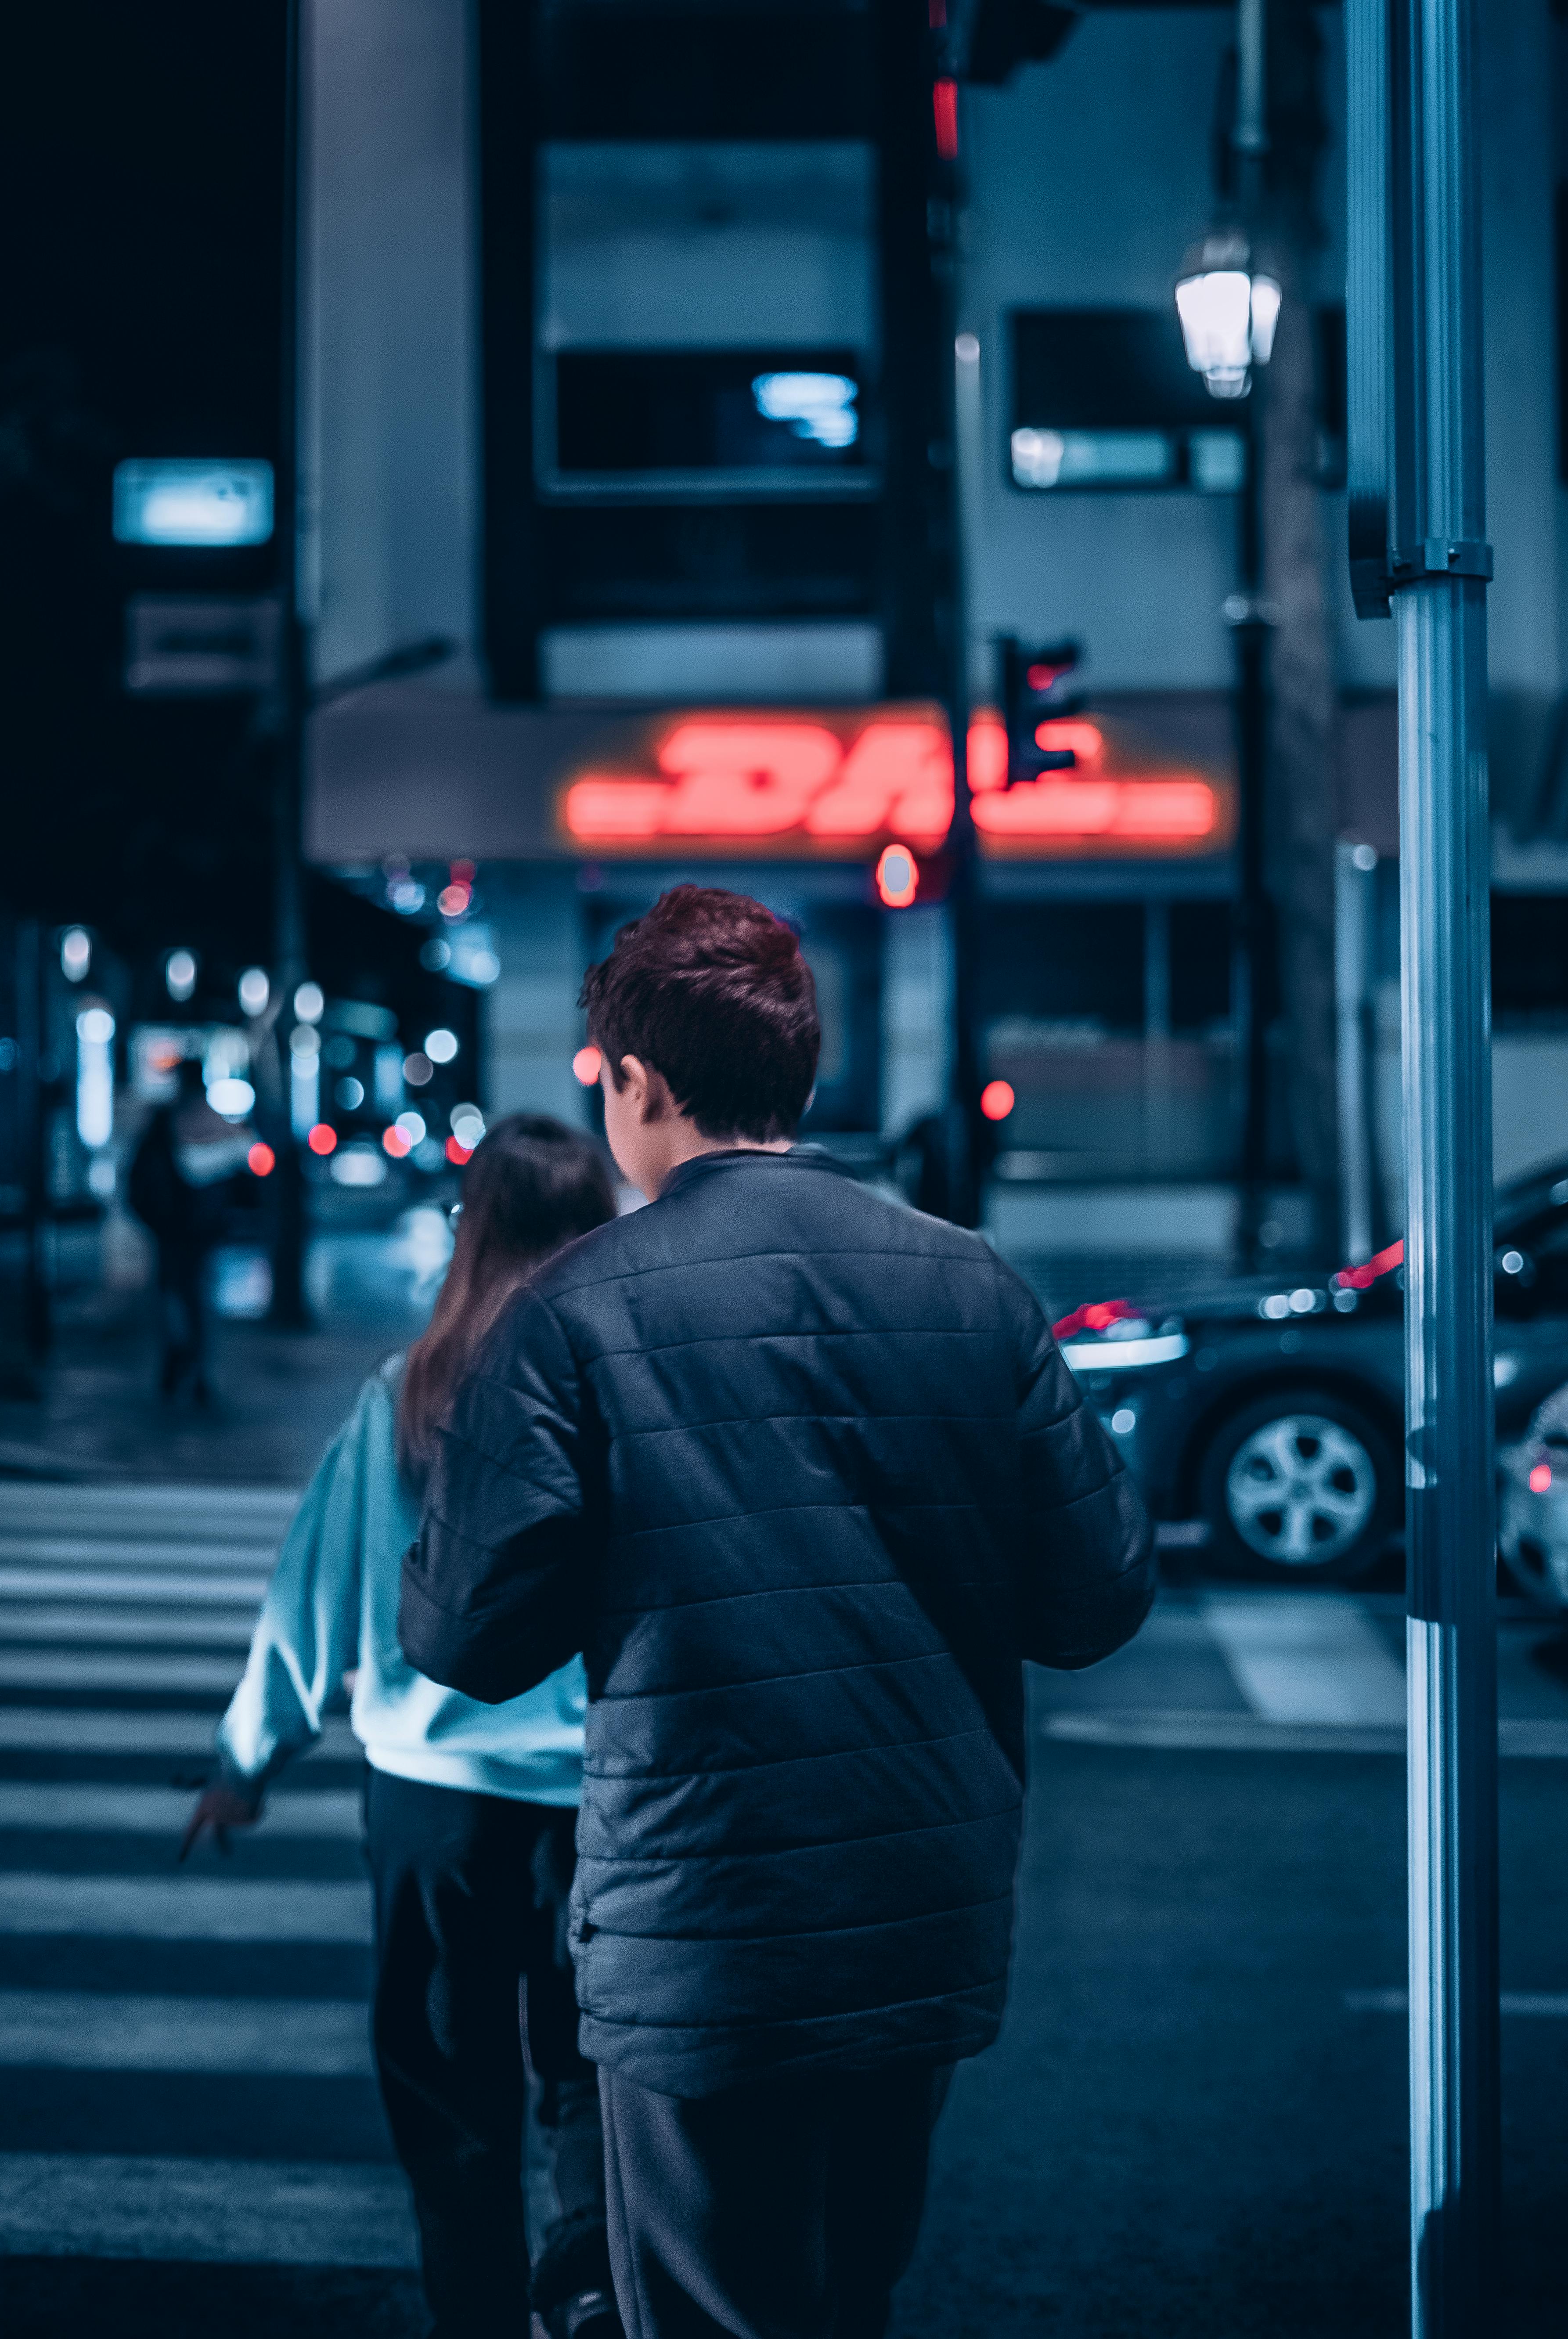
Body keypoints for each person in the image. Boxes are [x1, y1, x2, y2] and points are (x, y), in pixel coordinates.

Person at [399, 886, 1155, 2339]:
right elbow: (1095, 1595)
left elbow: (464, 1636)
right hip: (915, 1916)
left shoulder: (573, 1311)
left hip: (701, 1928)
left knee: (709, 2310)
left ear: (636, 1082)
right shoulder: (974, 1286)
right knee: (846, 2291)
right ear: (797, 1081)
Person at [182, 1113, 623, 2339]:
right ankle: (589, 2279)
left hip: (433, 1800)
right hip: (597, 1801)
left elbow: (310, 1590)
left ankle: (477, 2312)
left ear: (471, 1229)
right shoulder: (623, 1390)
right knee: (593, 2068)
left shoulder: (407, 1394)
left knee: (450, 2087)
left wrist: (246, 1753)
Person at [126, 1055, 250, 1401]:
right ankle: (194, 1368)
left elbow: (139, 1174)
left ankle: (179, 1360)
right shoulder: (216, 1122)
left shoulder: (166, 1120)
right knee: (195, 1299)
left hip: (174, 1230)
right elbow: (238, 1177)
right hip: (196, 1231)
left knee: (173, 1295)